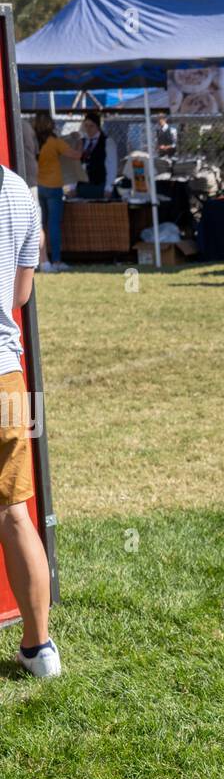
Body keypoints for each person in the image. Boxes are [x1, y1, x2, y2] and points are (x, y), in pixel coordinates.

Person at [0, 162, 61, 677]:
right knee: (15, 512)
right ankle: (39, 649)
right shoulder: (19, 190)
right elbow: (21, 295)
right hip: (6, 374)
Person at [34, 111, 82, 272]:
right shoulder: (54, 142)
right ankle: (55, 260)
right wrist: (79, 140)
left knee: (39, 226)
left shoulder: (34, 142)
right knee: (54, 225)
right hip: (53, 187)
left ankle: (40, 260)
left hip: (37, 186)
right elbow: (76, 155)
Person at [79, 111, 118, 199]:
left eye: (91, 126)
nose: (88, 129)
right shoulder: (81, 142)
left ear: (98, 126)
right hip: (83, 186)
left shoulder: (107, 142)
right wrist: (72, 187)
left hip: (101, 186)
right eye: (86, 126)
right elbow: (76, 164)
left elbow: (112, 166)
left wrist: (109, 187)